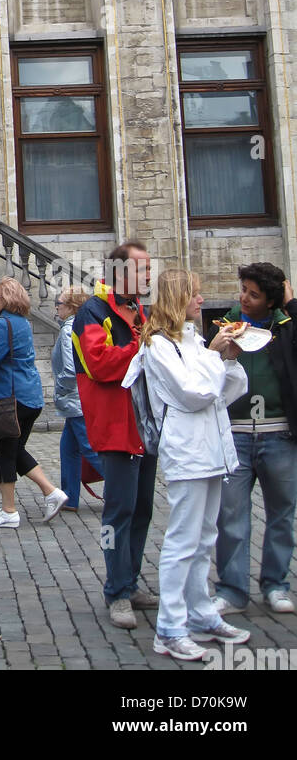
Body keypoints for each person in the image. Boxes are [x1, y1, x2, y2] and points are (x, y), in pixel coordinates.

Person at [123, 269, 251, 661]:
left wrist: (228, 360)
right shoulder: (159, 346)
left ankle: (201, 613)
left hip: (213, 448)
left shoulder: (192, 341)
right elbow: (194, 393)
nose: (201, 300)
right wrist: (215, 356)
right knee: (182, 540)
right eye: (195, 294)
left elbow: (227, 392)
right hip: (187, 452)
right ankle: (169, 627)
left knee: (204, 537)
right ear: (179, 298)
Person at [72, 241, 159, 628]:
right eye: (141, 270)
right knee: (117, 513)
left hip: (144, 427)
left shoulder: (138, 309)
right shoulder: (93, 311)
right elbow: (99, 365)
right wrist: (144, 347)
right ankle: (116, 591)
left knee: (142, 510)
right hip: (116, 429)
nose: (148, 276)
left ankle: (131, 580)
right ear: (119, 272)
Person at [213, 263, 297, 615]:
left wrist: (291, 306)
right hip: (236, 435)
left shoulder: (287, 329)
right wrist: (216, 349)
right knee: (231, 515)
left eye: (254, 294)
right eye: (244, 289)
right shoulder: (227, 326)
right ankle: (232, 590)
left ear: (271, 300)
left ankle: (276, 584)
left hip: (280, 434)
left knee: (282, 513)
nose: (244, 298)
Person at [0, 277, 67, 527]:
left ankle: (9, 511)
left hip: (11, 397)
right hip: (31, 397)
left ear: (5, 299)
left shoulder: (3, 324)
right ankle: (51, 492)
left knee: (4, 453)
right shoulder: (23, 323)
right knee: (15, 450)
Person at [52, 285, 103, 510]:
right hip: (76, 398)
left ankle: (123, 487)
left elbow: (71, 369)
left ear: (71, 307)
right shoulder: (82, 325)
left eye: (60, 303)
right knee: (69, 449)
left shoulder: (68, 329)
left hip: (74, 398)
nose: (56, 307)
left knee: (89, 448)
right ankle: (69, 496)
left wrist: (60, 389)